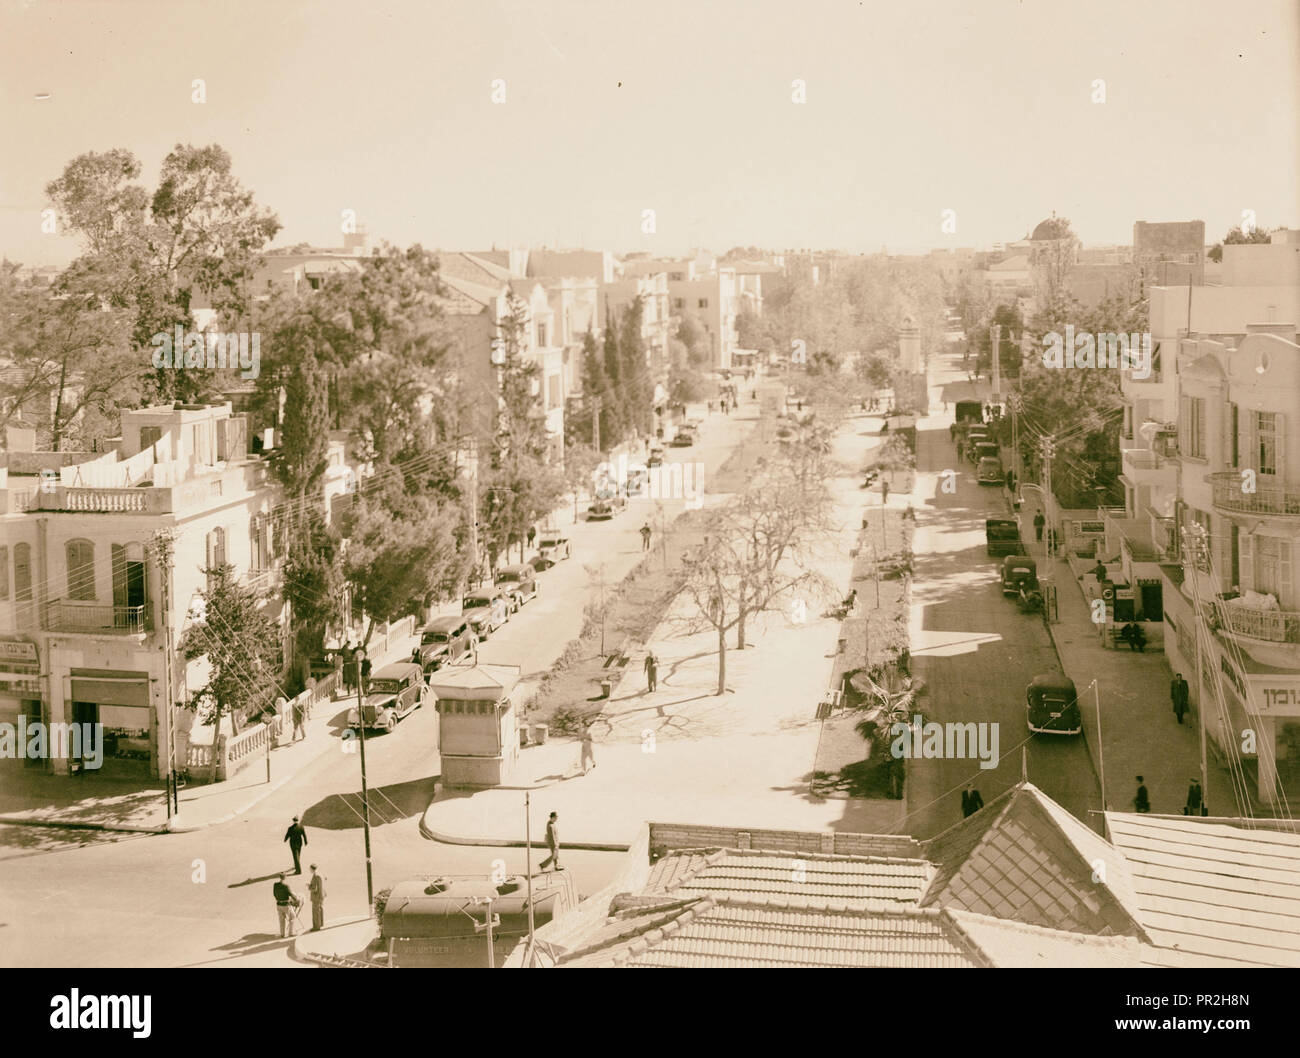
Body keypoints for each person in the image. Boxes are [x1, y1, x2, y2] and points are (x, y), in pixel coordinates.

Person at [273, 873, 300, 938]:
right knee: (292, 917)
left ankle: (282, 934)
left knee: (281, 920)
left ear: (280, 877)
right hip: (285, 905)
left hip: (278, 904)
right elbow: (290, 894)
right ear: (285, 877)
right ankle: (291, 933)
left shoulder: (275, 885)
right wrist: (296, 899)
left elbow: (274, 894)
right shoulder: (286, 886)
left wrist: (279, 898)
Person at [307, 864, 326, 931]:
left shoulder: (315, 876)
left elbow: (314, 889)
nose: (309, 870)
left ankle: (316, 926)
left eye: (310, 869)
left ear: (312, 869)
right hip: (322, 895)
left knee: (315, 911)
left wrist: (309, 886)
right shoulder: (320, 874)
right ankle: (321, 924)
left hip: (316, 896)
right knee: (320, 909)